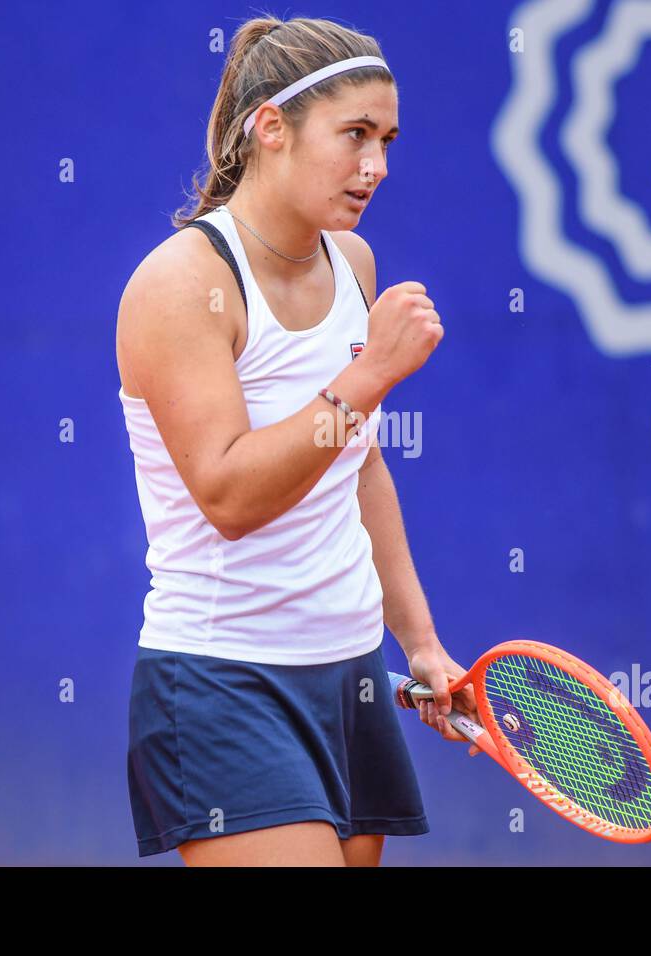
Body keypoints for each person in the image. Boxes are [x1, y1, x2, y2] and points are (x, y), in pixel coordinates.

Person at [115, 15, 477, 867]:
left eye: (387, 140)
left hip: (349, 679)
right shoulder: (181, 285)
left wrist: (419, 643)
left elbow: (359, 470)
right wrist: (368, 376)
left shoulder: (353, 263)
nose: (377, 166)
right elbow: (230, 496)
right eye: (354, 135)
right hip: (221, 685)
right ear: (270, 125)